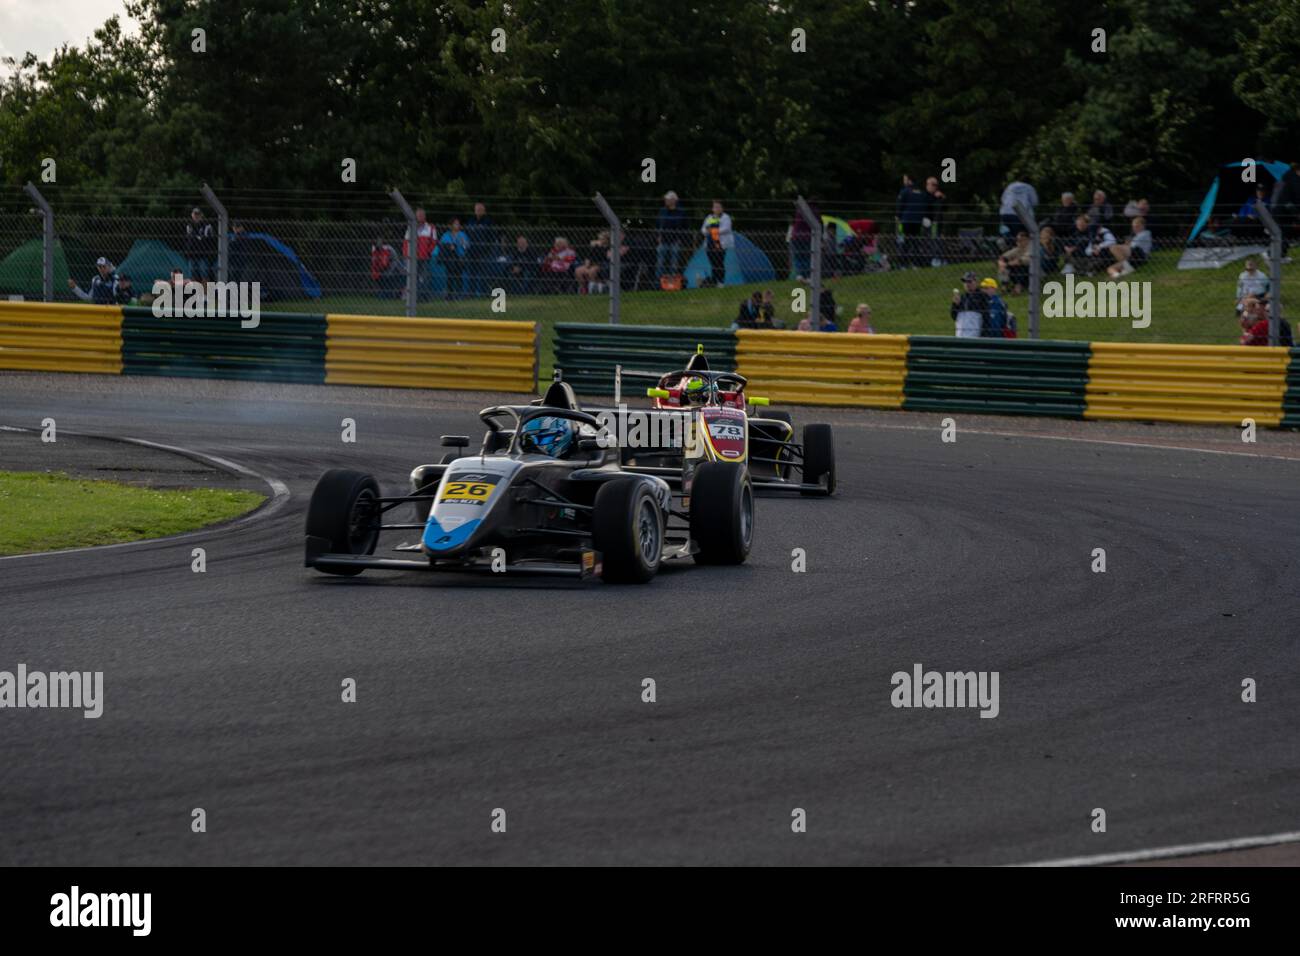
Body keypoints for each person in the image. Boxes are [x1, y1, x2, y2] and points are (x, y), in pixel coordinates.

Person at [463, 202, 497, 297]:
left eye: (480, 209)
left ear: (484, 211)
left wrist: (488, 249)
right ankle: (471, 294)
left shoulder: (488, 222)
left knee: (484, 275)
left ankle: (484, 294)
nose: (478, 211)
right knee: (472, 274)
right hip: (472, 252)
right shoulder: (470, 221)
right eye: (477, 209)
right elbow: (466, 235)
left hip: (484, 253)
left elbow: (492, 237)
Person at [403, 207, 437, 300]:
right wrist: (407, 255)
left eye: (422, 215)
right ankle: (414, 297)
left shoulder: (431, 227)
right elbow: (406, 242)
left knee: (424, 277)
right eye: (418, 215)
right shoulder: (411, 227)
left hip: (425, 257)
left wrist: (428, 252)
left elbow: (434, 242)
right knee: (414, 278)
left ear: (425, 216)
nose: (420, 217)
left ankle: (424, 296)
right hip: (413, 257)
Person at [655, 191, 689, 279]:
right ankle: (658, 281)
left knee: (674, 262)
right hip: (663, 240)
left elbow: (685, 226)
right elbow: (657, 224)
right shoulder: (662, 211)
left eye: (668, 199)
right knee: (660, 262)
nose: (666, 200)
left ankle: (673, 281)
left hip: (676, 240)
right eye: (666, 199)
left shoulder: (681, 212)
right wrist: (658, 235)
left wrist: (681, 238)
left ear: (674, 200)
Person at [895, 175, 927, 267]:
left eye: (905, 180)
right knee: (916, 242)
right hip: (918, 221)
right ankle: (916, 264)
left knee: (905, 242)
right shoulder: (921, 192)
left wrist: (897, 216)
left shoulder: (905, 191)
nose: (904, 182)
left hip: (906, 220)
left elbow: (900, 205)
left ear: (909, 181)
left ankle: (903, 264)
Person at [700, 201, 733, 286]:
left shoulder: (725, 217)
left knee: (719, 262)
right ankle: (714, 281)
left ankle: (721, 281)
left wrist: (713, 231)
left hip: (721, 244)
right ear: (712, 209)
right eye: (715, 207)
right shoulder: (709, 217)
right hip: (709, 244)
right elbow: (703, 229)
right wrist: (708, 231)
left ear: (722, 208)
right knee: (713, 263)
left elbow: (726, 229)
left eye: (718, 207)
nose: (717, 209)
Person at [437, 218, 469, 299]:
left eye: (458, 224)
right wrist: (449, 246)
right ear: (451, 225)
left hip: (459, 257)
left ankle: (459, 294)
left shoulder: (462, 234)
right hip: (449, 258)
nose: (457, 225)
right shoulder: (446, 235)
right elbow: (441, 245)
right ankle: (450, 294)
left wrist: (461, 244)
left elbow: (466, 246)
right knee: (450, 277)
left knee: (458, 276)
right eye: (455, 223)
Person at [951, 271, 987, 338]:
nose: (967, 284)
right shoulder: (962, 297)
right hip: (960, 336)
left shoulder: (982, 296)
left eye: (969, 281)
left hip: (975, 336)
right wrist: (955, 304)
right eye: (965, 282)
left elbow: (986, 318)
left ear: (976, 282)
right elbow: (954, 316)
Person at [184, 207, 215, 282]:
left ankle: (205, 293)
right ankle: (195, 292)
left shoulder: (207, 226)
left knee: (204, 273)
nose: (196, 216)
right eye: (195, 214)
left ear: (201, 215)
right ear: (192, 215)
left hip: (203, 255)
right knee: (192, 274)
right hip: (192, 254)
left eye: (198, 214)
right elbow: (188, 240)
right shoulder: (189, 226)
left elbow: (211, 241)